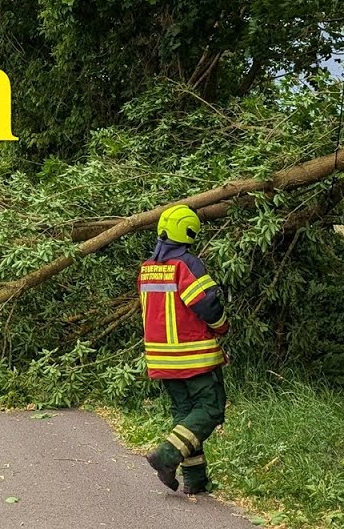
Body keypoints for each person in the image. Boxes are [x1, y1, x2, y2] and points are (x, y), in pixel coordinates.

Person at [139, 204, 230, 496]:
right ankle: (166, 455)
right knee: (211, 408)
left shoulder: (148, 269)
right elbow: (206, 303)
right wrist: (222, 326)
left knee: (184, 413)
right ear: (190, 232)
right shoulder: (186, 265)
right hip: (193, 357)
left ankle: (195, 479)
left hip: (161, 358)